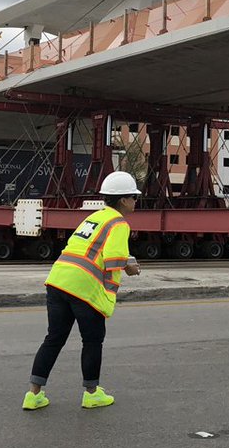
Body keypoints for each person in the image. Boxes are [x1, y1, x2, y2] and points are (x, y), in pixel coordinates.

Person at [23, 171, 142, 411]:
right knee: (92, 341)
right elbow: (112, 259)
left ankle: (33, 395)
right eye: (133, 197)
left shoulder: (94, 217)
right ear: (122, 200)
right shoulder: (119, 223)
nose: (135, 201)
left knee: (54, 338)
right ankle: (91, 393)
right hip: (83, 288)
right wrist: (130, 267)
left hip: (58, 281)